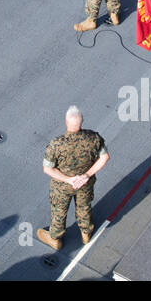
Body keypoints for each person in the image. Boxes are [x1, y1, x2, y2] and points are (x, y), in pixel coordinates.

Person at [36, 106, 108, 250]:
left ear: (66, 121)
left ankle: (55, 238)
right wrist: (86, 175)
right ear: (81, 122)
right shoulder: (94, 138)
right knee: (84, 207)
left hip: (63, 186)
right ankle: (86, 233)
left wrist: (68, 180)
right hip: (85, 183)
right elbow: (104, 157)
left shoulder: (56, 144)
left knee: (59, 210)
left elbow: (48, 169)